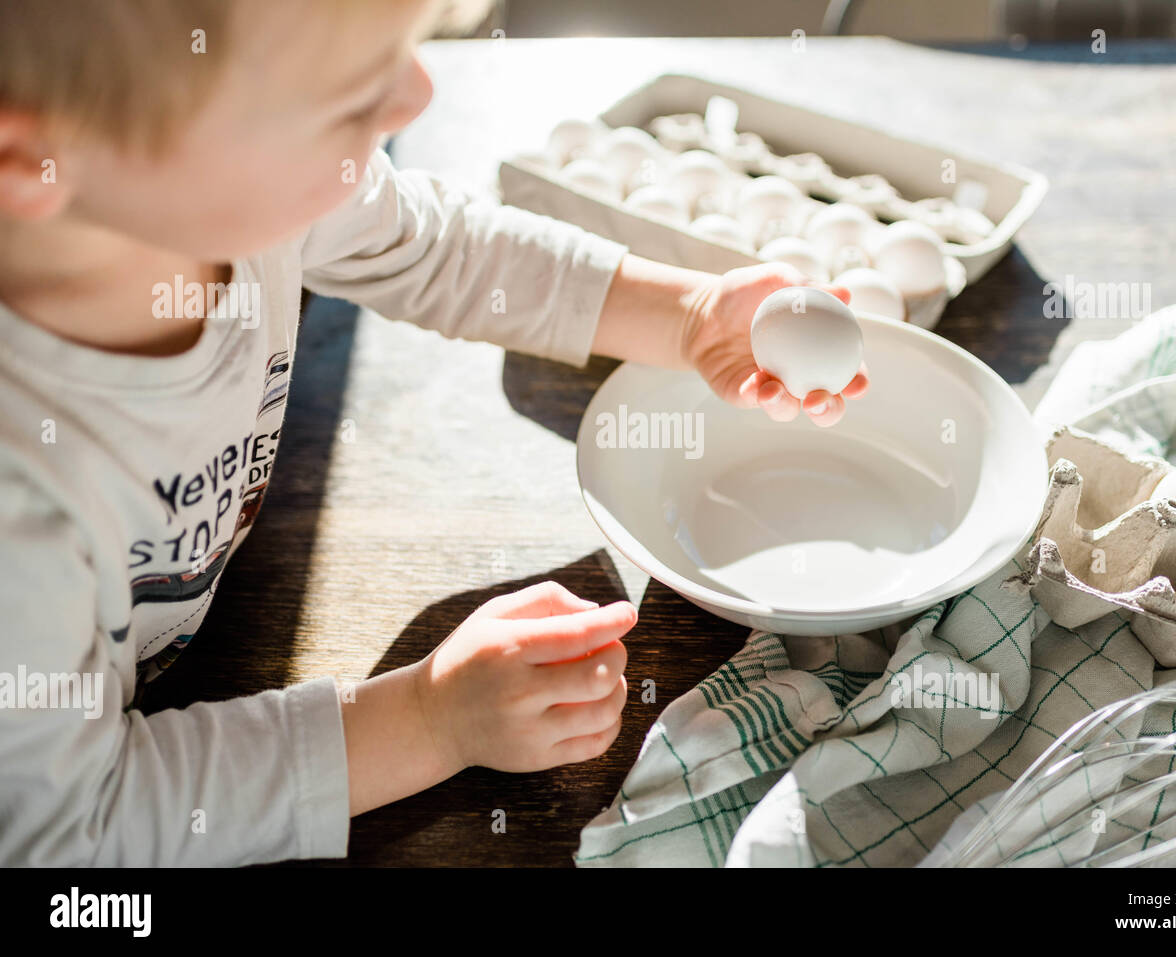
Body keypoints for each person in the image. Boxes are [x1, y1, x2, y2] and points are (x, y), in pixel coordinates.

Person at [0, 0, 867, 865]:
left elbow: (435, 247)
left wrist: (688, 316)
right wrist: (424, 719)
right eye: (343, 94)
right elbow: (76, 824)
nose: (417, 94)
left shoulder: (223, 201)